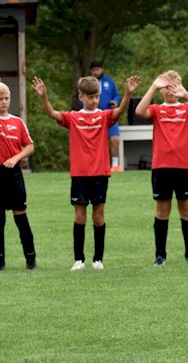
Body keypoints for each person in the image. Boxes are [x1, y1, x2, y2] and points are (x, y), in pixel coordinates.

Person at [32, 73, 140, 270]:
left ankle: (98, 259)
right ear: (80, 97)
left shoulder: (104, 116)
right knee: (80, 216)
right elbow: (52, 113)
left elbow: (121, 111)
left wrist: (127, 94)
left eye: (97, 96)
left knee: (98, 216)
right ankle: (79, 259)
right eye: (90, 97)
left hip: (100, 173)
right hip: (80, 174)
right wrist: (43, 96)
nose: (94, 100)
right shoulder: (73, 117)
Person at [135, 71, 188, 266]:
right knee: (162, 210)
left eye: (175, 87)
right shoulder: (157, 110)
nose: (171, 91)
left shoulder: (187, 108)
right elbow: (139, 111)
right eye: (167, 88)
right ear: (161, 90)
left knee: (187, 210)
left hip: (185, 167)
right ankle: (160, 255)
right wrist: (153, 86)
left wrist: (186, 94)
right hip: (161, 167)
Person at [0, 71, 37, 270]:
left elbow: (29, 146)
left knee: (21, 216)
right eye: (0, 98)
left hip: (13, 175)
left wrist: (15, 157)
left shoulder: (17, 122)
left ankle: (30, 259)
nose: (4, 102)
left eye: (7, 98)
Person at [88, 61, 123, 172]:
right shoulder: (87, 83)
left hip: (109, 115)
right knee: (95, 142)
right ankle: (96, 165)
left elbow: (117, 95)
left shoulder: (109, 81)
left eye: (97, 69)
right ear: (90, 71)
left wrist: (115, 101)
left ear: (101, 70)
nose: (96, 72)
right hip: (94, 116)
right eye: (93, 70)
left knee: (115, 139)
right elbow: (80, 98)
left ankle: (115, 165)